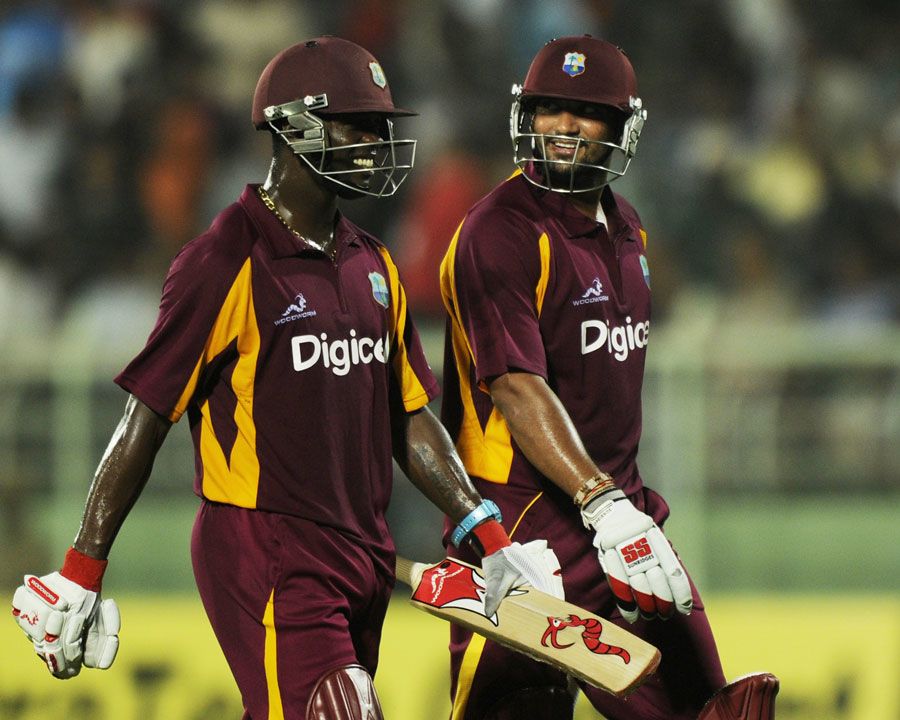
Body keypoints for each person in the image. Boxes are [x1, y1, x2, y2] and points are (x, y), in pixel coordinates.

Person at [9, 37, 563, 719]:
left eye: (381, 126)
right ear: (292, 127)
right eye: (358, 125)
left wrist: (486, 529)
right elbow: (145, 418)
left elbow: (411, 416)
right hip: (266, 548)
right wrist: (82, 569)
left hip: (364, 553)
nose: (376, 141)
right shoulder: (223, 259)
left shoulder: (374, 263)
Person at [437, 35, 779, 719]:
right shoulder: (497, 230)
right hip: (524, 535)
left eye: (586, 112)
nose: (563, 126)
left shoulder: (630, 230)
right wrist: (602, 504)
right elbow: (513, 383)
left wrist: (618, 510)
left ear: (623, 126)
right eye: (550, 108)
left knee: (712, 710)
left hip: (620, 521)